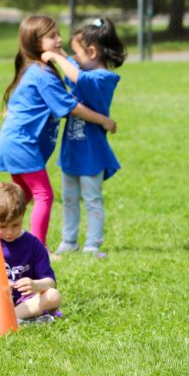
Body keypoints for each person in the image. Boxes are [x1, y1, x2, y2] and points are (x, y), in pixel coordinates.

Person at [0, 15, 117, 245]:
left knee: (20, 200)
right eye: (52, 36)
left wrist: (59, 55)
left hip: (14, 142)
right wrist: (104, 120)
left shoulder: (37, 69)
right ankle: (39, 249)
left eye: (58, 34)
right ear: (35, 42)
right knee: (44, 195)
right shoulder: (42, 73)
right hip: (23, 144)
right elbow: (70, 107)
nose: (59, 39)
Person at [41, 18, 125, 258]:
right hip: (71, 151)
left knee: (92, 199)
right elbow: (73, 73)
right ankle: (69, 240)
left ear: (92, 51)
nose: (73, 59)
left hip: (91, 153)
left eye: (76, 54)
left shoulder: (102, 78)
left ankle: (92, 243)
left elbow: (80, 78)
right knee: (68, 199)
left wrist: (56, 57)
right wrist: (61, 53)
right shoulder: (82, 71)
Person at [0, 182, 62, 323]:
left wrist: (35, 285)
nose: (9, 232)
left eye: (15, 225)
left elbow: (50, 282)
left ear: (24, 212)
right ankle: (10, 318)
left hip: (23, 302)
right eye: (1, 226)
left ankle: (8, 318)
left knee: (53, 296)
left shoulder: (33, 244)